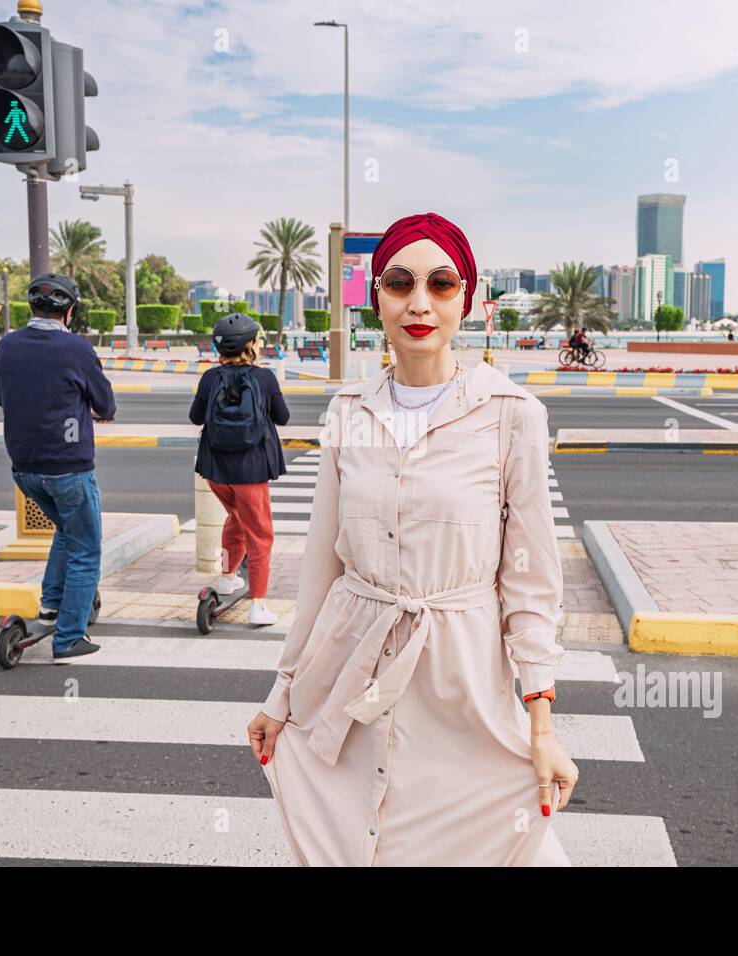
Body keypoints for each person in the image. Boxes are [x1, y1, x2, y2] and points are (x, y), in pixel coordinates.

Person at [246, 212, 578, 866]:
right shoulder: (348, 412)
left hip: (462, 685)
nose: (419, 303)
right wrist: (281, 694)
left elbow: (532, 584)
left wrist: (541, 728)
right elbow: (321, 569)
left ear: (469, 299)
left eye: (441, 284)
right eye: (399, 284)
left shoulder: (513, 416)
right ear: (376, 300)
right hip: (351, 667)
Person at [0, 273, 116, 661]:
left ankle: (50, 606)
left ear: (31, 308)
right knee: (85, 550)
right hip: (69, 467)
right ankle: (69, 638)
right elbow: (106, 404)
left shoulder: (7, 345)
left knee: (66, 529)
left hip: (24, 468)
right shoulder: (76, 349)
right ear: (70, 312)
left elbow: (0, 395)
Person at [189, 313, 290, 626]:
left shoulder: (209, 377)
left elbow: (196, 418)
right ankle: (258, 603)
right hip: (251, 471)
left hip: (215, 471)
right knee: (260, 535)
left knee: (234, 520)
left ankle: (227, 575)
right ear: (251, 345)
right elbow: (282, 417)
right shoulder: (264, 378)